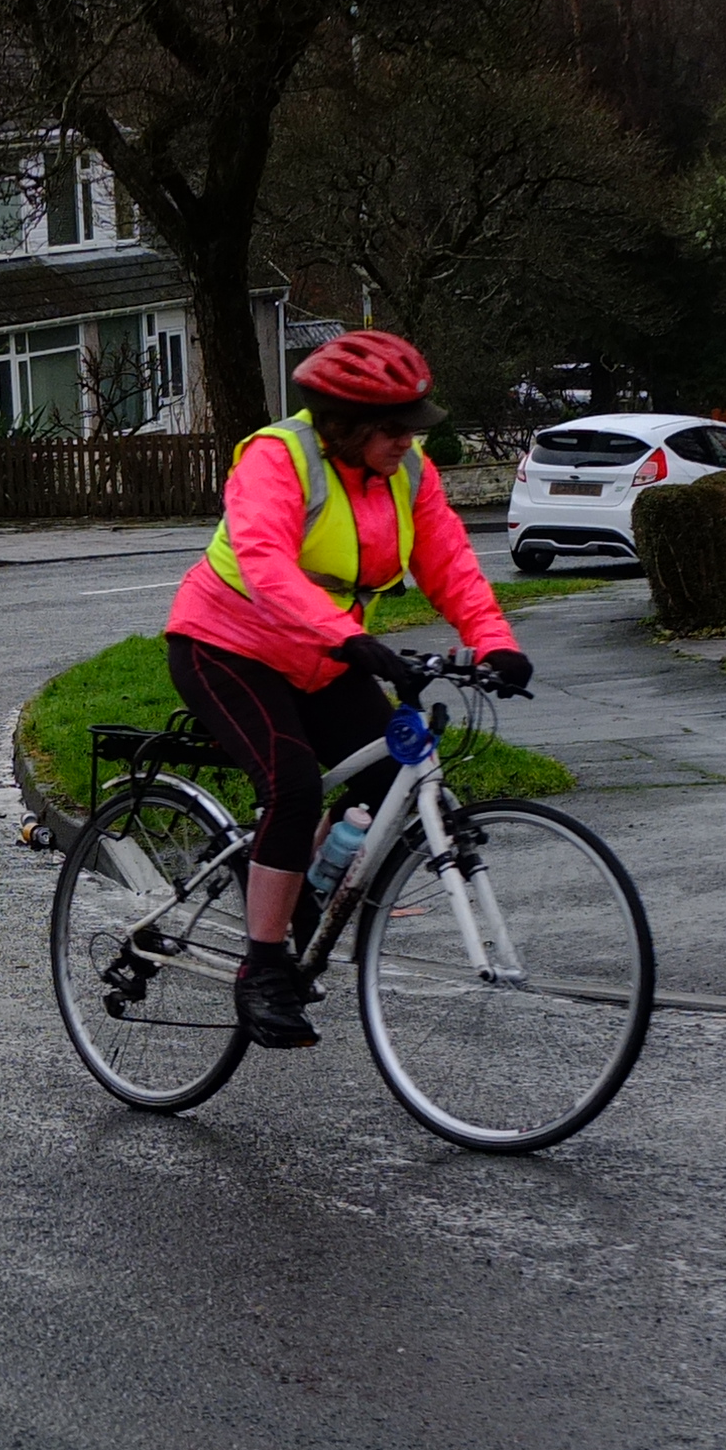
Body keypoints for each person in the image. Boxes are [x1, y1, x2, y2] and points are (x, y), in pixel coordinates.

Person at [163, 330, 533, 1048]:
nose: (407, 440)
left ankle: (296, 891)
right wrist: (349, 635)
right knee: (294, 785)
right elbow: (266, 565)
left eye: (412, 426)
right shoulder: (278, 459)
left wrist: (497, 643)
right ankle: (263, 968)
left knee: (392, 772)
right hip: (226, 645)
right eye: (393, 428)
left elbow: (450, 562)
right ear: (345, 425)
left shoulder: (407, 472)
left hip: (326, 656)